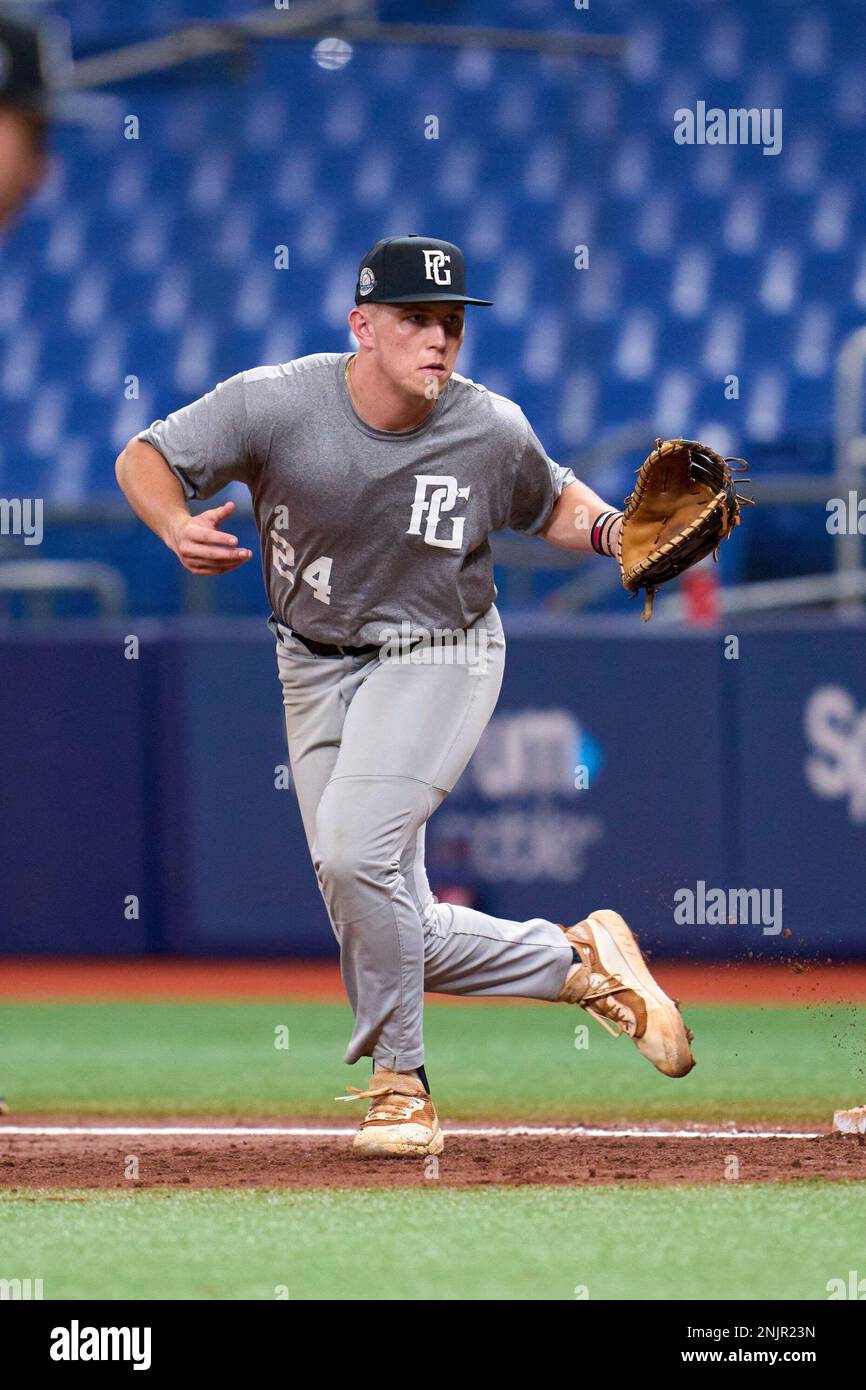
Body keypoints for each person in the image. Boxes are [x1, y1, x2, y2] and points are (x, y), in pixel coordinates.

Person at [115, 234, 694, 1159]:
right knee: (388, 923)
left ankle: (401, 1085)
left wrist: (618, 531)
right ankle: (578, 963)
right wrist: (174, 520)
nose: (439, 338)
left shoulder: (486, 425)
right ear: (363, 326)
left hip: (441, 650)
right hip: (310, 663)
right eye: (417, 319)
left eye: (452, 322)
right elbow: (144, 455)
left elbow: (550, 502)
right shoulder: (277, 403)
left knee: (354, 860)